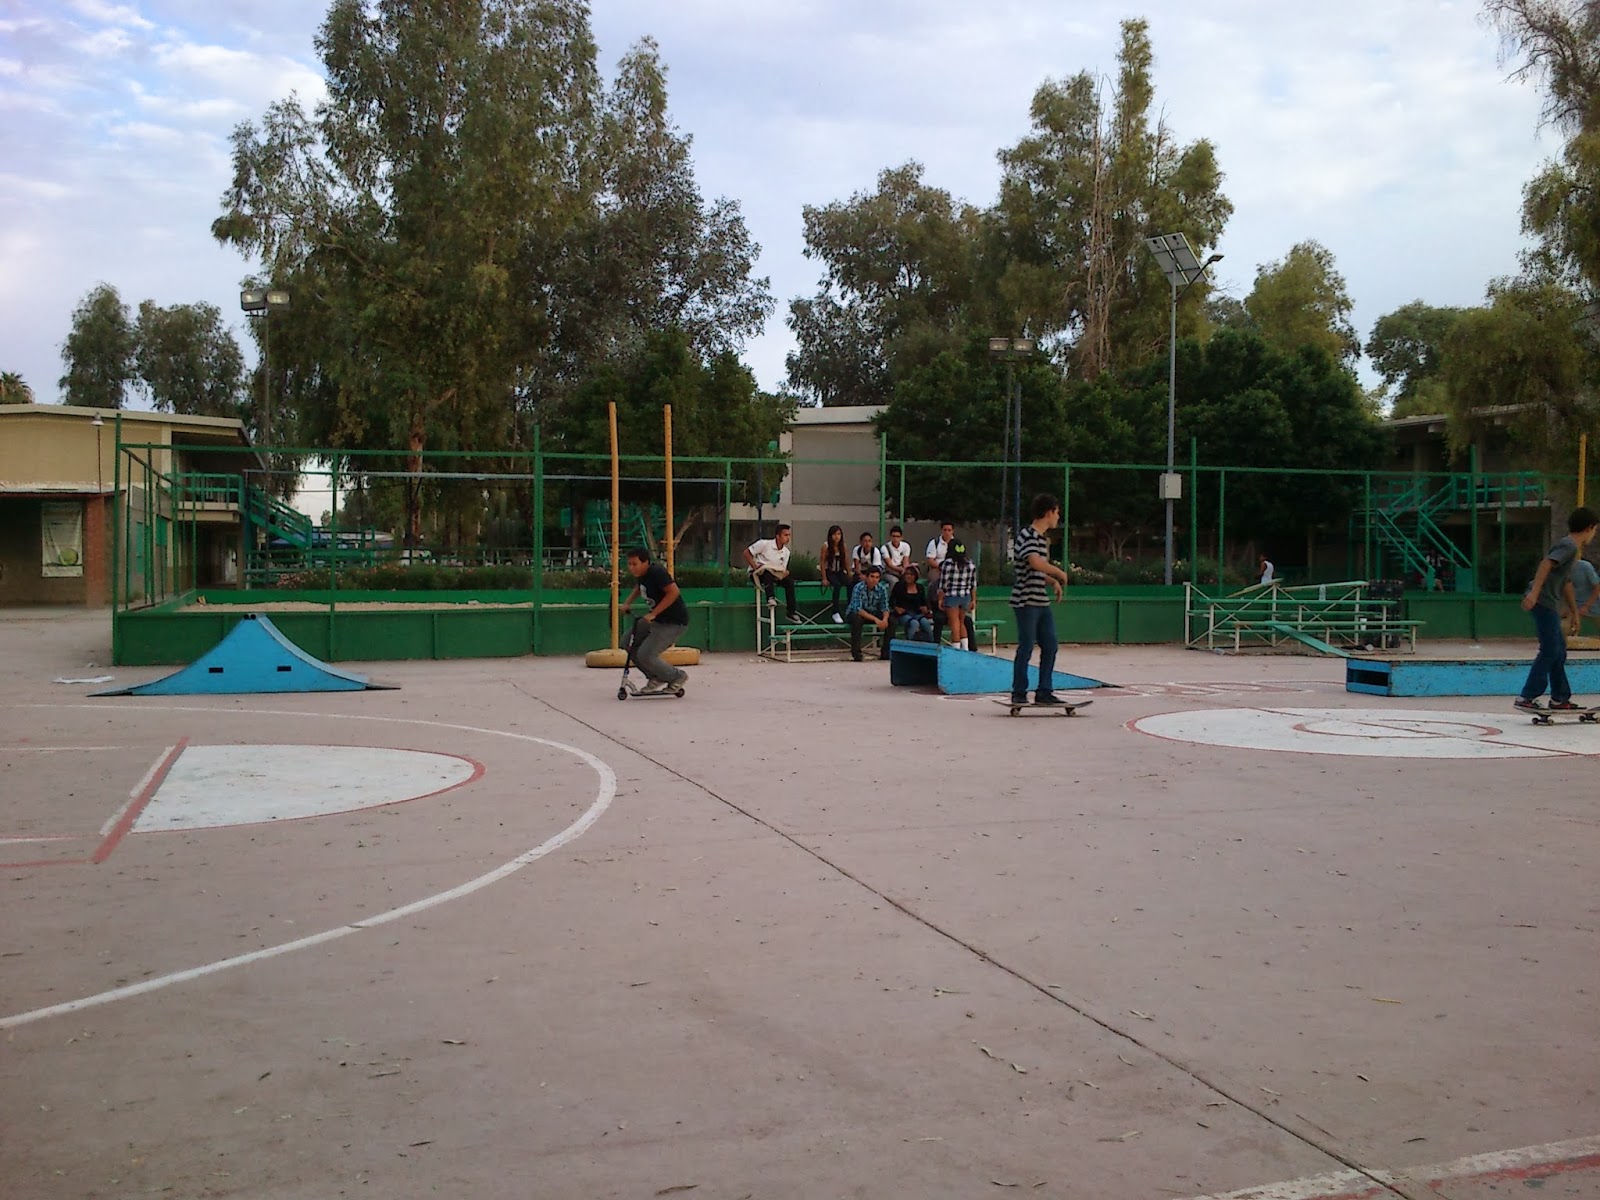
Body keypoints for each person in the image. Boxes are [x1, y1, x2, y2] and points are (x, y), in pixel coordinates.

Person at [1517, 507, 1600, 712]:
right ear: (1589, 528)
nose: (1594, 534)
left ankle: (1560, 699)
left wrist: (1574, 612)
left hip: (1550, 603)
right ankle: (1527, 696)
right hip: (1543, 601)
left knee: (1559, 651)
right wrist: (1534, 593)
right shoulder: (1569, 545)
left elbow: (1566, 583)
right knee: (1550, 649)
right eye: (1595, 530)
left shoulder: (1572, 550)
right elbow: (1546, 564)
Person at [1010, 493, 1072, 707]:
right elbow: (1034, 562)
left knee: (1050, 644)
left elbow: (1034, 569)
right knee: (1026, 645)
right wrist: (1058, 573)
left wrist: (1050, 581)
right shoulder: (1028, 535)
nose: (1058, 517)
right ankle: (1019, 691)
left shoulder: (1041, 539)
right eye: (1056, 512)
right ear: (1048, 512)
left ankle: (1044, 690)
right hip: (1026, 600)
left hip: (1040, 600)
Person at [619, 547, 690, 693]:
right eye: (629, 564)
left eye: (634, 564)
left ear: (645, 562)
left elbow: (674, 592)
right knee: (627, 642)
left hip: (673, 622)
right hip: (656, 620)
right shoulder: (642, 574)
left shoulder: (657, 573)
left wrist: (654, 613)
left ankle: (677, 676)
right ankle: (655, 677)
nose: (631, 568)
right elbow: (640, 587)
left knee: (646, 654)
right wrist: (628, 602)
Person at [744, 524, 798, 621]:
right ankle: (770, 598)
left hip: (774, 574)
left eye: (789, 535)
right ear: (778, 536)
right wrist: (755, 566)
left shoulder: (786, 552)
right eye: (785, 535)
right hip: (757, 573)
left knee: (790, 582)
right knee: (767, 573)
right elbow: (746, 553)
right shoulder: (764, 544)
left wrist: (783, 574)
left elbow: (782, 568)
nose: (788, 538)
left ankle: (791, 612)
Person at [937, 539, 978, 650]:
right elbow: (973, 584)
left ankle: (956, 648)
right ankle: (965, 648)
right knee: (962, 622)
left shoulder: (948, 564)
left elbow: (943, 584)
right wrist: (973, 600)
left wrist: (940, 599)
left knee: (954, 623)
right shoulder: (970, 564)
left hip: (952, 596)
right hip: (965, 596)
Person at [846, 564, 892, 662]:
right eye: (872, 577)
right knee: (857, 619)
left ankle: (886, 652)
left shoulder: (881, 589)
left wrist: (884, 620)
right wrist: (876, 620)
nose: (874, 580)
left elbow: (885, 607)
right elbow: (857, 609)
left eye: (877, 577)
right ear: (866, 577)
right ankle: (856, 653)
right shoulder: (858, 588)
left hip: (873, 612)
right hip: (856, 614)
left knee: (892, 620)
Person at [891, 563, 934, 642]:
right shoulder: (899, 586)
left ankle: (931, 645)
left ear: (915, 576)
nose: (908, 576)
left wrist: (924, 608)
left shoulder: (920, 587)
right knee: (914, 623)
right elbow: (891, 601)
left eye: (911, 574)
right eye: (907, 574)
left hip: (916, 613)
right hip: (903, 613)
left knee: (926, 623)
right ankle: (910, 645)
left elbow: (923, 603)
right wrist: (896, 608)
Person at [820, 524, 850, 624]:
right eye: (834, 534)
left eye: (838, 534)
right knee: (837, 585)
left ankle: (850, 608)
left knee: (850, 583)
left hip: (840, 571)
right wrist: (824, 578)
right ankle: (835, 612)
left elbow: (846, 561)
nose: (837, 536)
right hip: (830, 571)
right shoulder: (826, 546)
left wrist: (849, 573)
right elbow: (822, 562)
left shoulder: (843, 546)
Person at [924, 520, 953, 592]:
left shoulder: (956, 543)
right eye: (945, 530)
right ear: (941, 531)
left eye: (949, 530)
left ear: (952, 531)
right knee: (934, 582)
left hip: (953, 570)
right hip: (936, 569)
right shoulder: (934, 542)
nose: (947, 532)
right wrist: (942, 567)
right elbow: (930, 560)